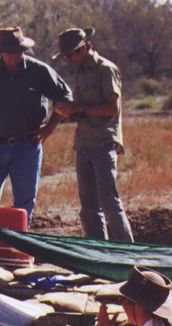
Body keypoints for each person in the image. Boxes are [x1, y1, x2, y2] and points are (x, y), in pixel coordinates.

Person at [0, 26, 73, 263]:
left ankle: (18, 252)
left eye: (17, 51)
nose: (13, 56)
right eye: (8, 52)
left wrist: (49, 128)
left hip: (27, 147)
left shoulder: (39, 71)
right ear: (1, 52)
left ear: (24, 50)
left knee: (24, 203)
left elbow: (65, 98)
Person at [52, 27, 134, 242]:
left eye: (71, 54)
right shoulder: (80, 73)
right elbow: (83, 109)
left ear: (84, 48)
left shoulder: (106, 69)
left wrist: (79, 108)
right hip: (83, 145)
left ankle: (129, 253)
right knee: (89, 207)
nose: (69, 59)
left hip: (103, 144)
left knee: (109, 203)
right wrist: (68, 112)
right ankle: (98, 251)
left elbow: (112, 108)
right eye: (66, 56)